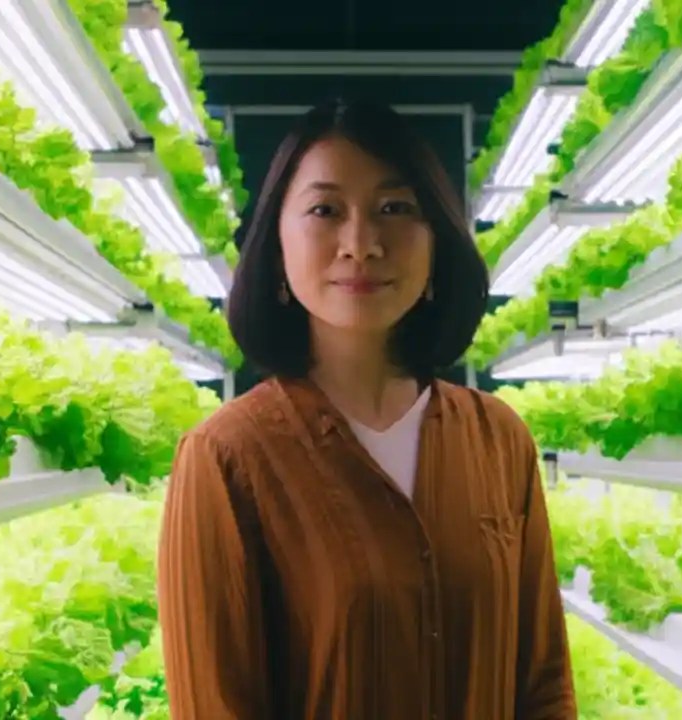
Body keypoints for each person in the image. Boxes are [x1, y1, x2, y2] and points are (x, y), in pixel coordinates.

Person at [157, 99, 576, 720]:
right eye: (326, 210)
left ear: (437, 243)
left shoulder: (497, 439)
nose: (362, 243)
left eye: (395, 209)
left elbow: (543, 685)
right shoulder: (227, 459)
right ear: (276, 250)